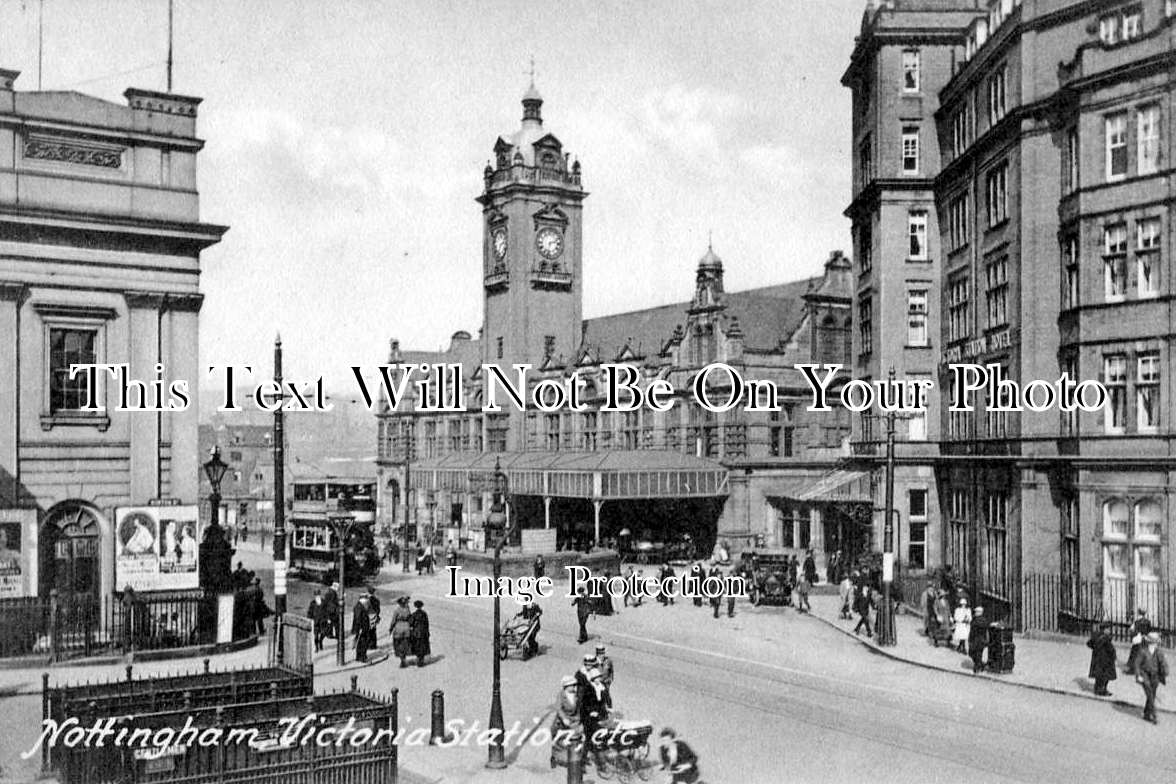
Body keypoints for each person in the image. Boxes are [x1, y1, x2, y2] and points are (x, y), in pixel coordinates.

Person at [1135, 631, 1168, 724]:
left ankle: (1146, 713)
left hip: (1155, 676)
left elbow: (1163, 664)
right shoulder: (1143, 651)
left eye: (1156, 642)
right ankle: (1154, 715)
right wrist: (1138, 676)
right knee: (1149, 694)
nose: (1155, 644)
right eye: (1154, 642)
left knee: (1152, 695)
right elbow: (1137, 664)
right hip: (1144, 674)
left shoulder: (1159, 652)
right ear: (1149, 642)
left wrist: (1165, 671)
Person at [1086, 623, 1117, 696]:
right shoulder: (1105, 638)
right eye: (1108, 629)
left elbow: (1089, 643)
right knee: (1106, 676)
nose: (1110, 631)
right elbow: (1111, 649)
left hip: (1097, 659)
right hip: (1106, 660)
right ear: (1104, 629)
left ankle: (1097, 689)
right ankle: (1102, 690)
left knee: (1099, 676)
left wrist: (1095, 650)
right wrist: (1114, 656)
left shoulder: (1096, 636)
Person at [389, 595, 413, 668]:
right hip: (406, 628)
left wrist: (390, 628)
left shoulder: (397, 610)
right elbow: (410, 619)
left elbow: (393, 621)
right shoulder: (407, 609)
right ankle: (404, 658)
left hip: (398, 629)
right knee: (405, 644)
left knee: (398, 644)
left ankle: (402, 659)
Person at [1127, 608, 1152, 674]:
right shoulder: (1148, 621)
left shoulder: (1137, 621)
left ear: (1139, 613)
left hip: (1138, 639)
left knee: (1135, 653)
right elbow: (1149, 630)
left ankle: (1132, 668)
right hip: (1145, 639)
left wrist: (1134, 634)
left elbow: (1132, 629)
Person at [409, 599, 431, 666]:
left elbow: (410, 623)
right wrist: (427, 632)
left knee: (417, 646)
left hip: (416, 633)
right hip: (423, 632)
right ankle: (421, 659)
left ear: (415, 606)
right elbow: (427, 624)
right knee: (423, 646)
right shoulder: (424, 614)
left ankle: (419, 659)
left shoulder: (414, 614)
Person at [352, 595, 373, 663]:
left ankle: (361, 657)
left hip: (363, 628)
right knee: (362, 643)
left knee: (362, 643)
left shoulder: (360, 606)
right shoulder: (359, 607)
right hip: (361, 628)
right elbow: (358, 618)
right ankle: (362, 657)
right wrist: (359, 627)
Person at [968, 606, 989, 674]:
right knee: (978, 654)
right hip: (981, 640)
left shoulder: (977, 620)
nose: (975, 613)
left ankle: (978, 667)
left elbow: (973, 630)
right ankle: (980, 666)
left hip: (976, 639)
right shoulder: (983, 620)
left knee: (975, 653)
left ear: (980, 612)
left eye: (977, 612)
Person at [365, 586, 381, 651]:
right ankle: (373, 645)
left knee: (368, 631)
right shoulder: (376, 600)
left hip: (368, 617)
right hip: (374, 616)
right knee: (373, 631)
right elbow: (378, 609)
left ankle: (368, 645)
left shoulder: (367, 600)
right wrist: (376, 614)